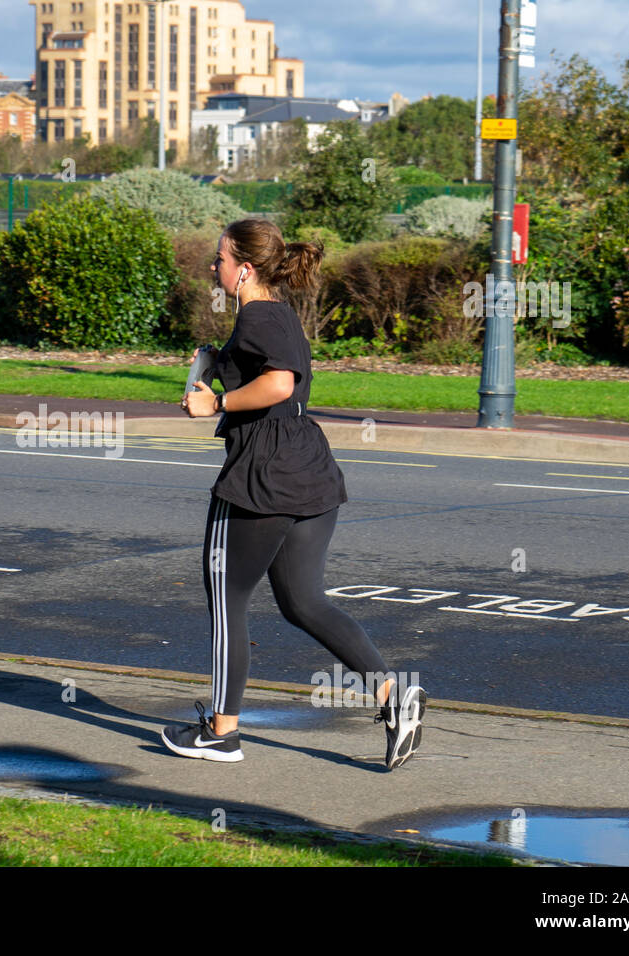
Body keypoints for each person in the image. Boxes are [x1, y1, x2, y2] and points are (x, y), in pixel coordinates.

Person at [160, 219, 426, 770]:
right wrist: (217, 363)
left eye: (220, 259)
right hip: (309, 472)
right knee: (303, 603)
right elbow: (273, 379)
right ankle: (392, 698)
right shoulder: (274, 316)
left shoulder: (260, 315)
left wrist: (218, 404)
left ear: (245, 270)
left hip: (262, 479)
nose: (214, 267)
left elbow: (278, 383)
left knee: (228, 601)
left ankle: (221, 733)